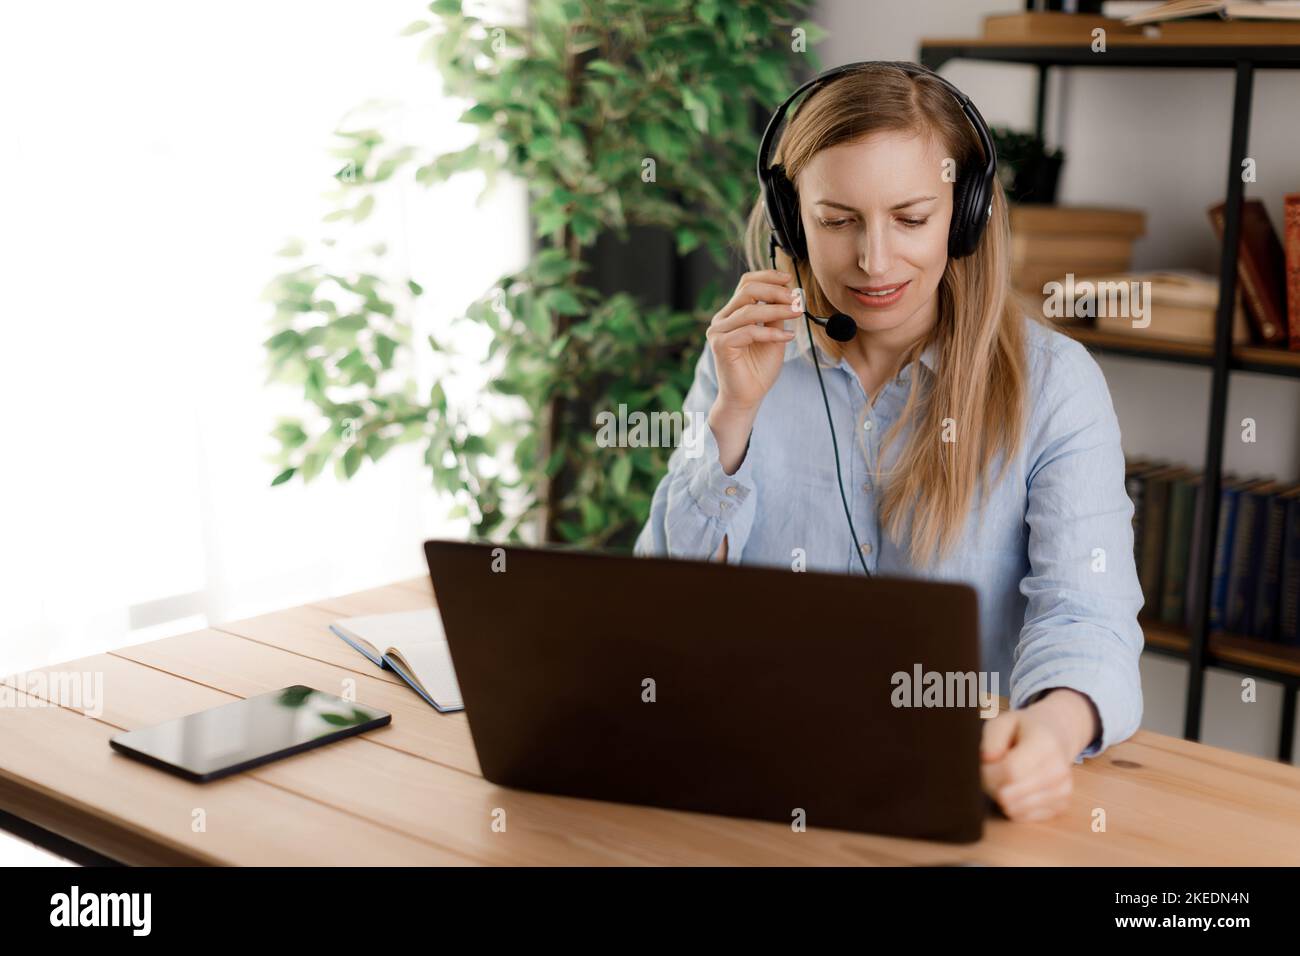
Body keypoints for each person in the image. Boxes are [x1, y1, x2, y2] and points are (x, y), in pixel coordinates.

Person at [633, 62, 1144, 824]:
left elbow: (1086, 617)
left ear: (966, 214)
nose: (874, 261)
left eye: (911, 218)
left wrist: (1046, 730)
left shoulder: (1056, 387)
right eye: (837, 221)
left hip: (954, 795)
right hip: (759, 782)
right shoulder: (744, 358)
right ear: (789, 215)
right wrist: (733, 418)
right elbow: (662, 605)